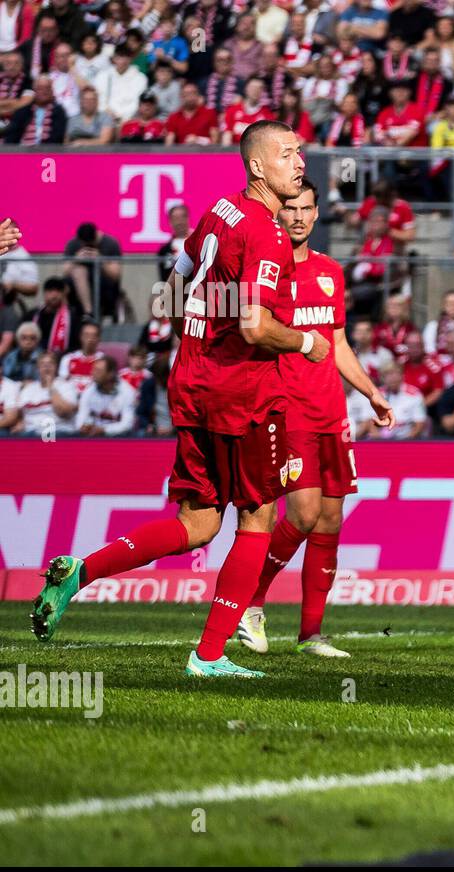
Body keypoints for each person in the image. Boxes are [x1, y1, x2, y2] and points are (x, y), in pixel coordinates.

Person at [30, 120, 331, 681]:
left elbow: (181, 267)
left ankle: (80, 572)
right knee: (259, 516)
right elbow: (253, 325)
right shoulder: (266, 232)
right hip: (239, 393)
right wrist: (309, 342)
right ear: (258, 166)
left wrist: (175, 326)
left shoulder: (222, 209)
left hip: (190, 380)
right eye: (288, 153)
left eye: (300, 152)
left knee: (196, 522)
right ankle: (210, 655)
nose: (299, 161)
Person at [235, 178, 393, 660]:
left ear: (318, 213)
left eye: (306, 208)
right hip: (288, 410)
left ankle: (311, 634)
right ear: (278, 213)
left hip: (332, 411)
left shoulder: (330, 271)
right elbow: (252, 334)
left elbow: (339, 343)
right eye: (291, 209)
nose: (298, 216)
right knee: (301, 514)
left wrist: (371, 392)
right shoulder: (267, 271)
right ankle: (251, 602)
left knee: (329, 519)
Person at [62, 222, 122, 322]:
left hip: (104, 285)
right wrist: (76, 259)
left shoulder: (111, 243)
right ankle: (88, 313)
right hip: (76, 286)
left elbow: (115, 275)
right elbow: (65, 272)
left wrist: (100, 260)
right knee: (78, 271)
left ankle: (90, 314)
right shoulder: (72, 244)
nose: (88, 247)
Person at [75, 355, 135, 436]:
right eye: (93, 369)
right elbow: (81, 416)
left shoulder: (127, 392)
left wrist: (105, 430)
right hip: (92, 436)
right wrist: (82, 426)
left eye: (98, 371)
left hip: (117, 438)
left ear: (110, 374)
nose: (92, 373)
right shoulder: (89, 390)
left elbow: (127, 425)